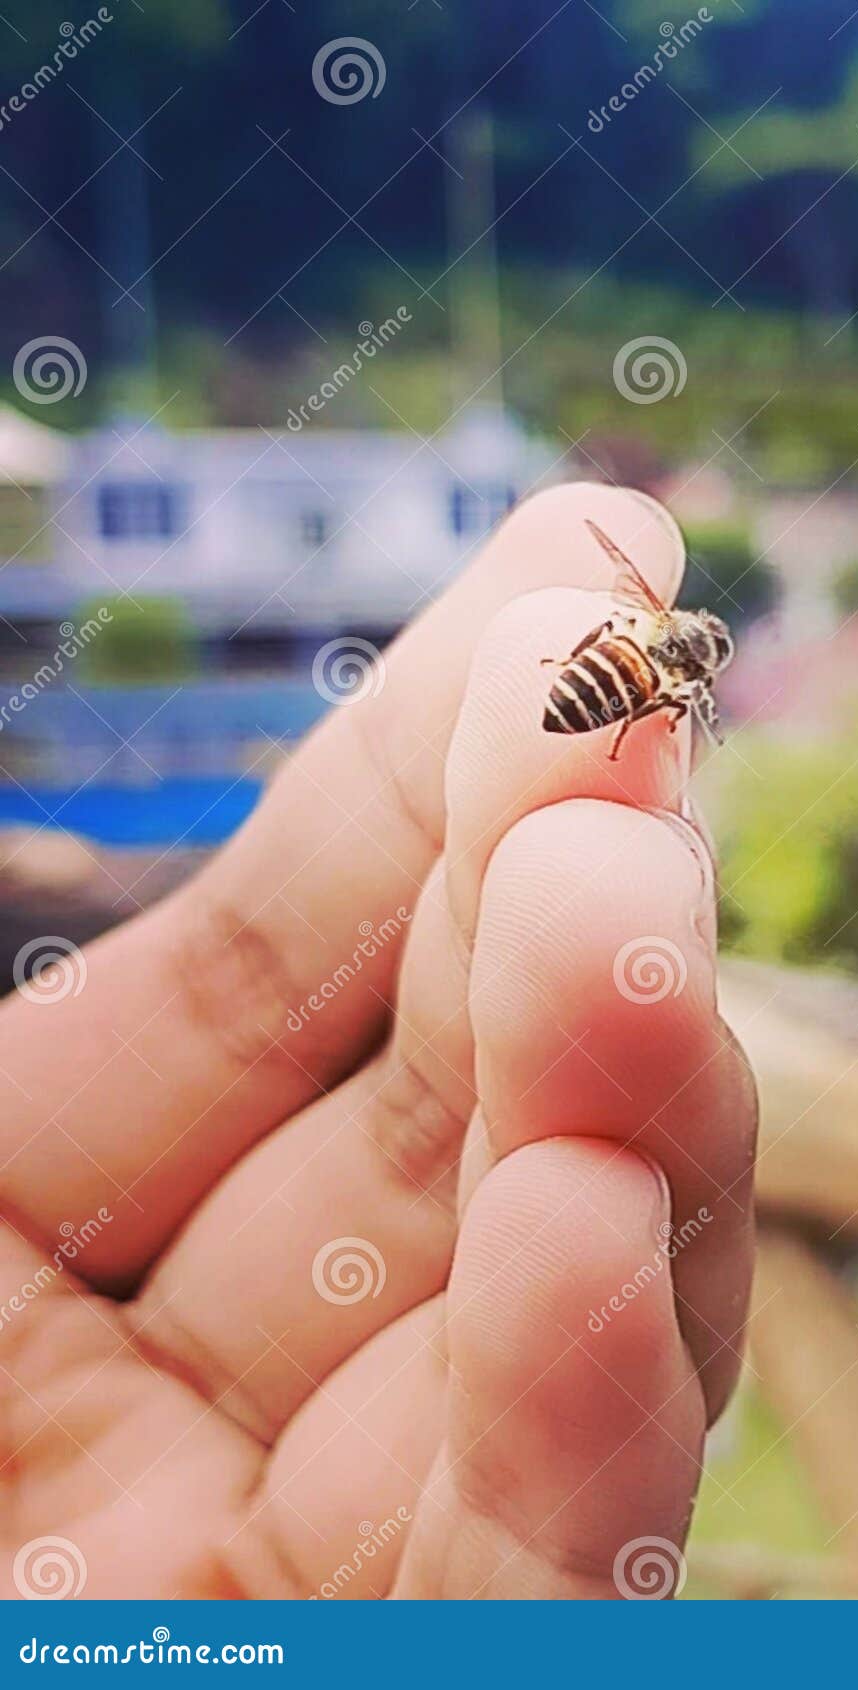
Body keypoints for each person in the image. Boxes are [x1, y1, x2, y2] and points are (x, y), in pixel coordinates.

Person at [0, 484, 756, 1599]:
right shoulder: (661, 661)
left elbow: (622, 664)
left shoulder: (642, 643)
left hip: (584, 705)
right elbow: (645, 686)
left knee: (564, 1179)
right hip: (589, 712)